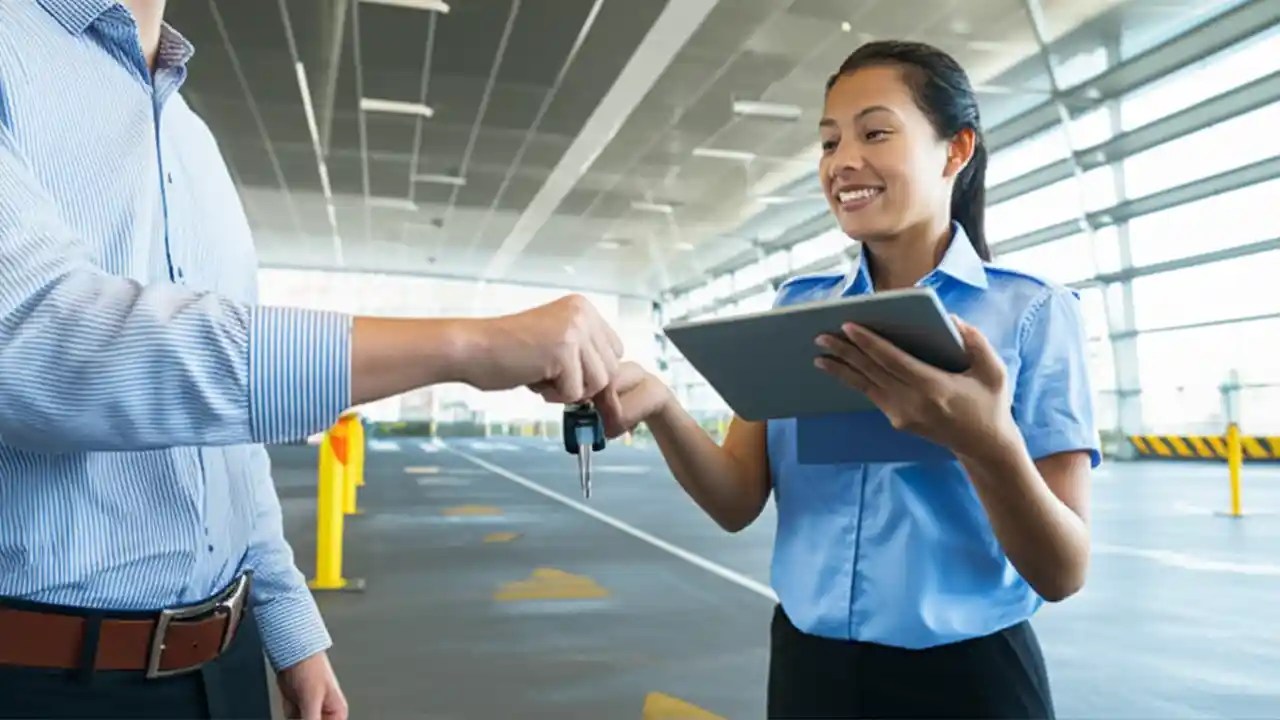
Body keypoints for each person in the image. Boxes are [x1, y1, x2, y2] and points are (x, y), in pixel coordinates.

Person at [0, 1, 623, 718]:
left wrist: (286, 621)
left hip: (223, 663)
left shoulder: (192, 140)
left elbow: (226, 432)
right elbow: (41, 341)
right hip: (36, 676)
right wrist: (466, 344)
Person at [594, 40, 1099, 719]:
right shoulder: (797, 311)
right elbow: (735, 499)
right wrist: (661, 407)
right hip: (811, 675)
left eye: (875, 133)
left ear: (955, 151)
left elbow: (1063, 571)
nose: (842, 161)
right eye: (830, 142)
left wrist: (986, 442)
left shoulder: (1033, 312)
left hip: (968, 683)